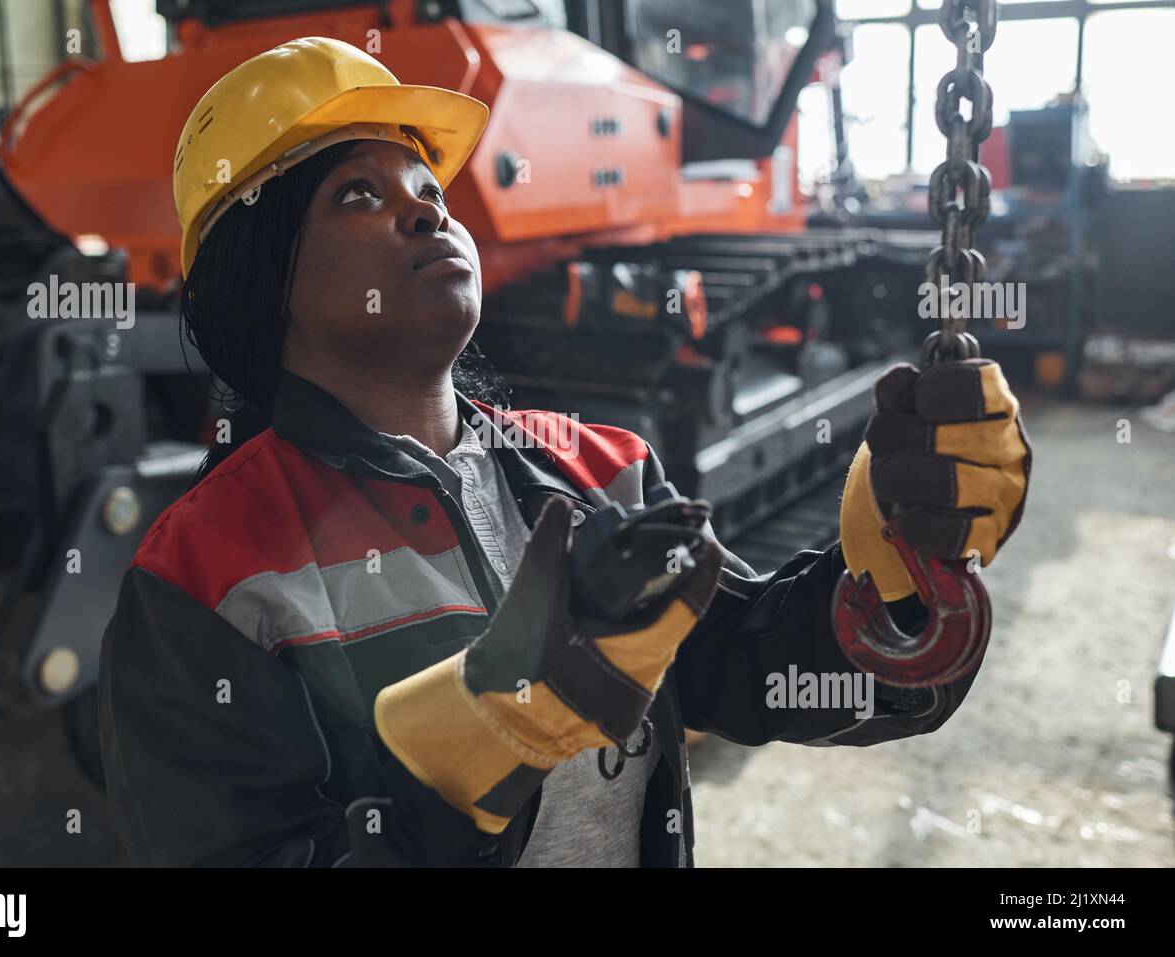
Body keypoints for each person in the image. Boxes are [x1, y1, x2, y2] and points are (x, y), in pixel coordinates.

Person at [97, 36, 1032, 867]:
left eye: (430, 190)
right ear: (265, 276)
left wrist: (893, 580)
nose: (427, 213)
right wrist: (482, 738)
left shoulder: (602, 471)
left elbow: (749, 668)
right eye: (359, 195)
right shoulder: (200, 576)